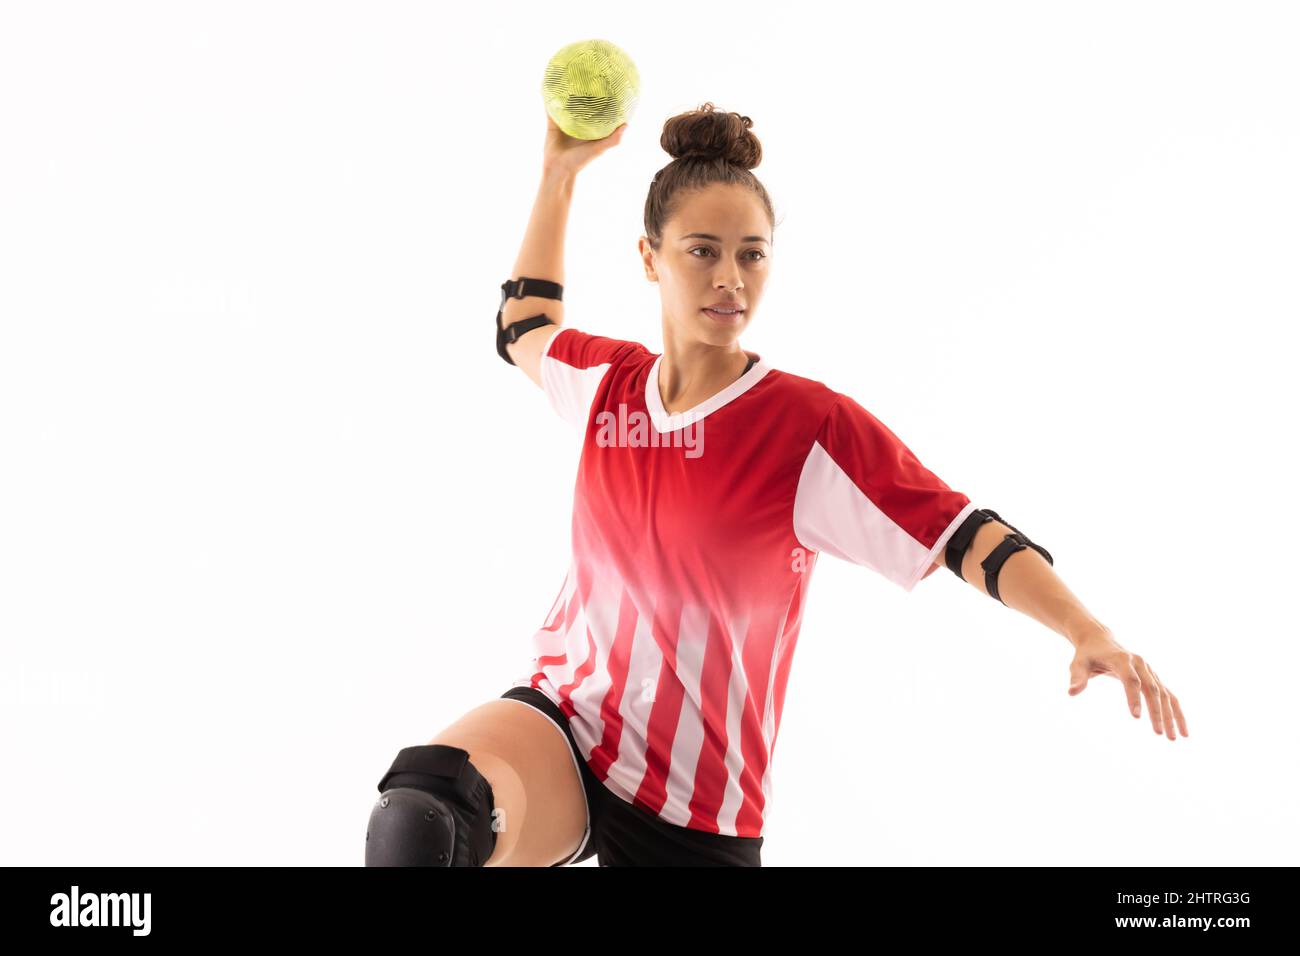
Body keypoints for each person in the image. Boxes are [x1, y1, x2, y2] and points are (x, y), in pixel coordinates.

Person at [365, 102, 1189, 868]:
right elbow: (523, 328)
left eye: (751, 254)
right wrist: (560, 173)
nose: (731, 277)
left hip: (698, 808)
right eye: (703, 251)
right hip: (570, 729)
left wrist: (1086, 629)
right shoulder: (606, 380)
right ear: (650, 258)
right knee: (425, 816)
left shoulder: (807, 428)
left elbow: (966, 535)